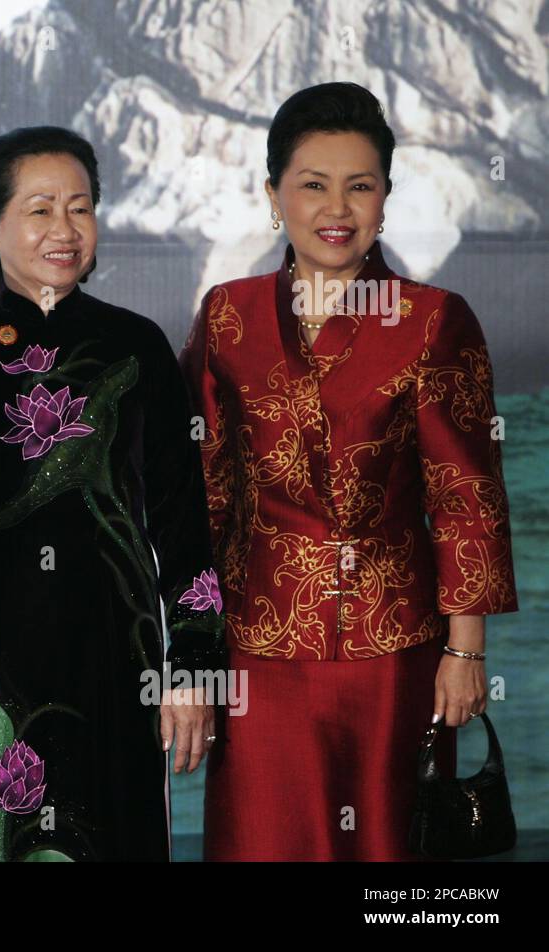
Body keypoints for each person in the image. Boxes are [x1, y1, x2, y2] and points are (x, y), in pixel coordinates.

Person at [180, 82, 518, 861]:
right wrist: (191, 649)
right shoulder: (226, 316)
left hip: (396, 649)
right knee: (263, 842)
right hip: (257, 647)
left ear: (385, 199)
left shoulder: (434, 318)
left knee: (387, 849)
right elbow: (205, 492)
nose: (338, 206)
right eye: (313, 184)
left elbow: (466, 495)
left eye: (360, 185)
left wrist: (466, 653)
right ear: (274, 196)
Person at [0, 126, 224, 862]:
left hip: (114, 660)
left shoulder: (136, 346)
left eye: (81, 208)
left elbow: (182, 525)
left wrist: (195, 669)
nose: (64, 230)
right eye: (40, 208)